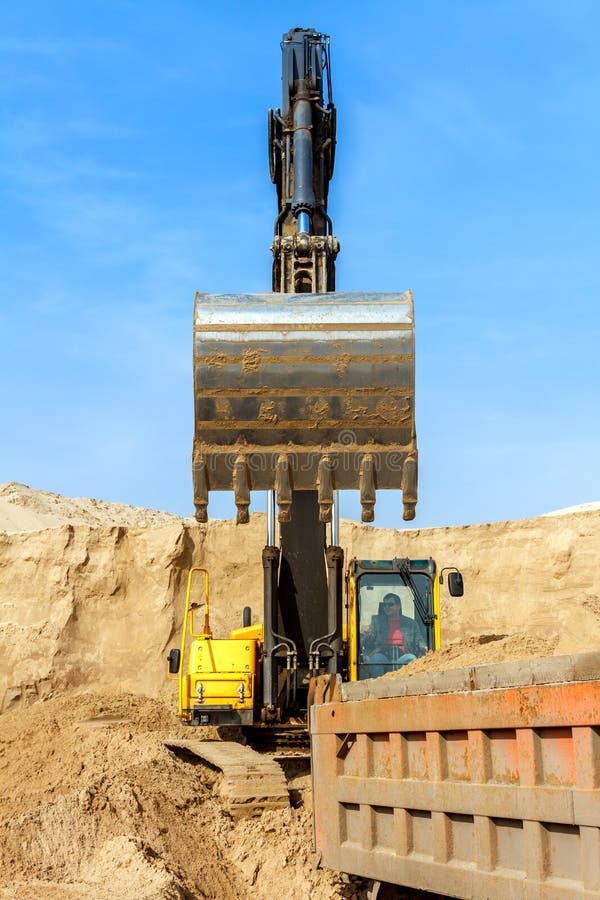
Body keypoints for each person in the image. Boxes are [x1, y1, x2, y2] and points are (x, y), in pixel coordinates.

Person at [363, 592, 426, 677]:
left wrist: (423, 646)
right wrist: (367, 636)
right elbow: (368, 643)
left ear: (398, 606)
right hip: (383, 655)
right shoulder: (377, 622)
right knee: (376, 658)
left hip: (403, 656)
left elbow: (419, 640)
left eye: (390, 604)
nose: (387, 607)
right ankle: (377, 686)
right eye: (385, 605)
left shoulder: (410, 624)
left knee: (412, 659)